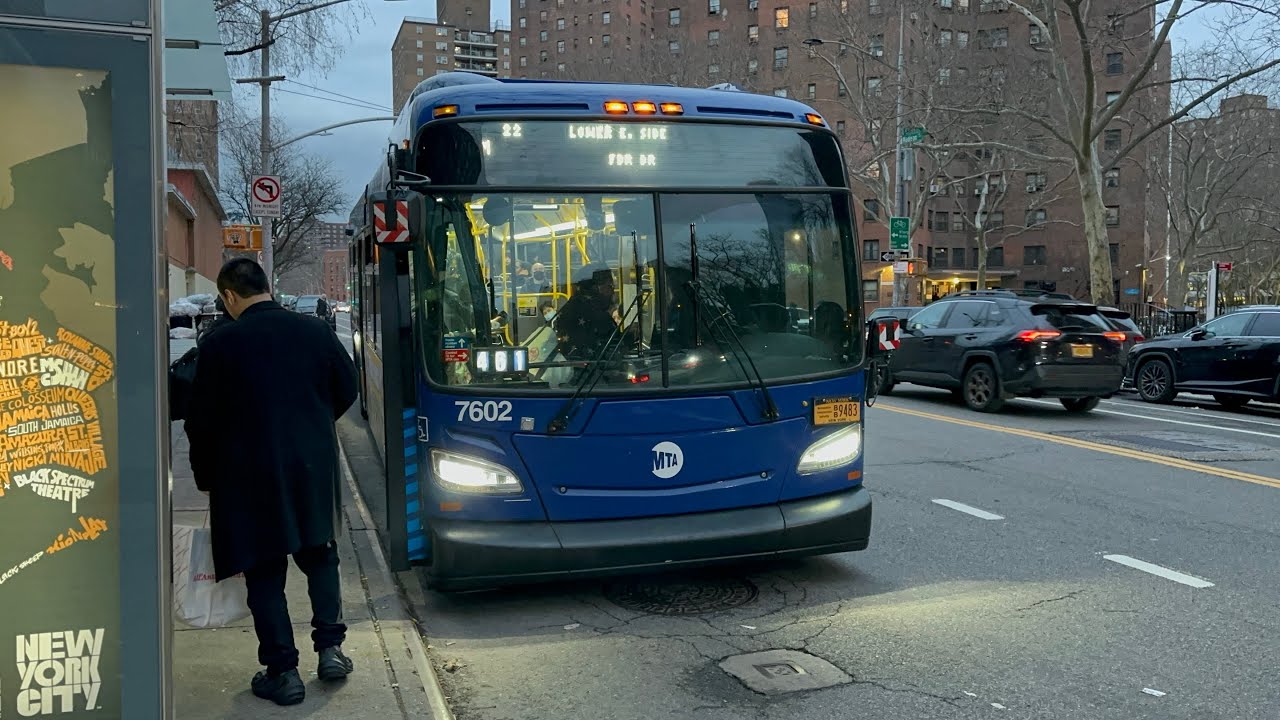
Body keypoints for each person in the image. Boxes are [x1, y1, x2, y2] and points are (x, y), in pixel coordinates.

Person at [185, 258, 359, 707]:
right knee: (320, 555)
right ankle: (331, 651)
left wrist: (206, 475)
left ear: (228, 296)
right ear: (267, 288)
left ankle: (283, 672)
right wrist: (314, 427)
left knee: (264, 572)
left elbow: (200, 420)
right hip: (310, 467)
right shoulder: (315, 332)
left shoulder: (220, 342)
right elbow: (347, 386)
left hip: (246, 477)